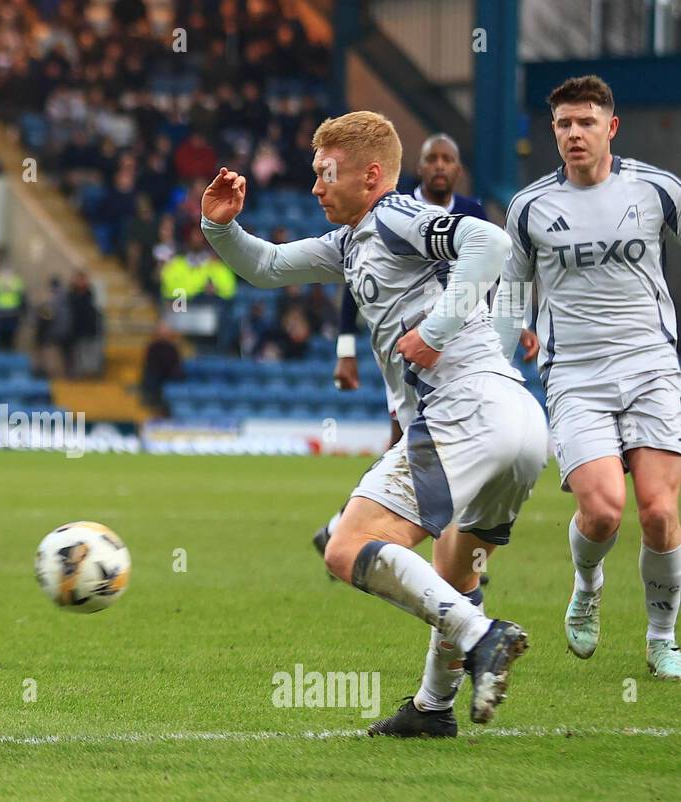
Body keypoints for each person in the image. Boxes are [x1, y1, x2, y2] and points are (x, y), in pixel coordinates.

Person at [202, 111, 549, 737]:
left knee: (343, 547)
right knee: (455, 574)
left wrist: (435, 331)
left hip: (462, 411)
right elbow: (270, 265)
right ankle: (433, 709)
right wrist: (220, 227)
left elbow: (492, 244)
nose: (314, 187)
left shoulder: (394, 216)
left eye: (324, 174)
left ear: (369, 175)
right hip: (518, 423)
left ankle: (483, 638)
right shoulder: (352, 241)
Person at [493, 75, 681, 680]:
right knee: (604, 511)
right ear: (553, 132)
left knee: (658, 512)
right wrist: (501, 363)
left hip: (651, 364)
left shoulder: (656, 190)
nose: (574, 134)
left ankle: (660, 638)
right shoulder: (529, 208)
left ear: (611, 127)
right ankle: (587, 581)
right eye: (563, 125)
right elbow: (510, 294)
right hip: (574, 373)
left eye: (586, 123)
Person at [314, 132, 500, 564]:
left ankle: (355, 531)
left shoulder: (472, 212)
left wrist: (507, 326)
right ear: (417, 167)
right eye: (431, 158)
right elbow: (353, 281)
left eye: (447, 159)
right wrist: (345, 347)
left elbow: (495, 268)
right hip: (405, 353)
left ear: (457, 169)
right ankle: (365, 534)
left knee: (434, 452)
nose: (439, 166)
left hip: (461, 347)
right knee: (408, 445)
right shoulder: (392, 210)